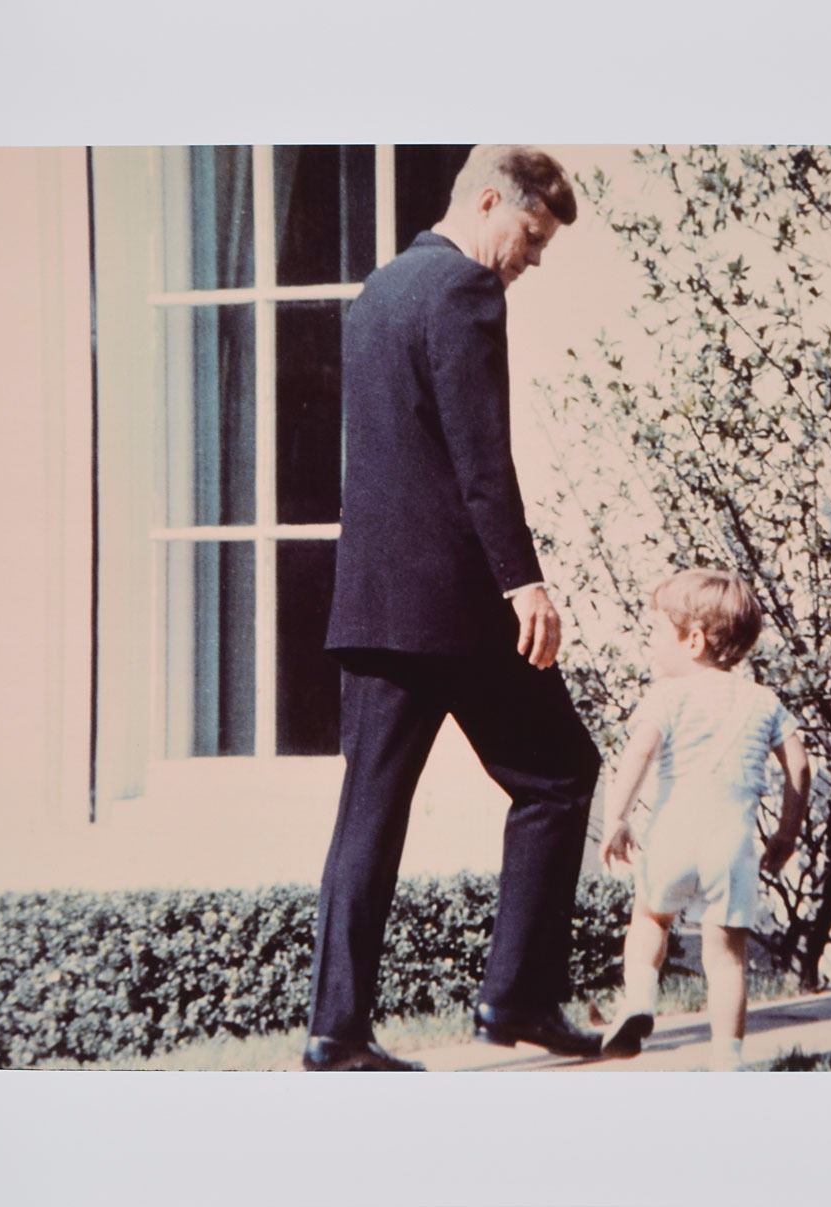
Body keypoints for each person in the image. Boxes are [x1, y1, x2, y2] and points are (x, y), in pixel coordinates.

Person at [303, 146, 603, 1072]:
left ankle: (334, 1033)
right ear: (488, 203)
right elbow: (480, 458)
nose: (533, 258)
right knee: (558, 776)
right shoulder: (468, 293)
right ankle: (516, 998)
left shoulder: (379, 289)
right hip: (460, 611)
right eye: (532, 235)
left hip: (374, 607)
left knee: (369, 815)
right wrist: (526, 581)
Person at [598, 568, 811, 1071]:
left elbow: (638, 754)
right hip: (731, 845)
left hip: (673, 834)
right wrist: (786, 832)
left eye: (656, 632)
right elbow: (799, 766)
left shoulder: (667, 696)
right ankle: (727, 1060)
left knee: (651, 918)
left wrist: (617, 818)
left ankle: (641, 1001)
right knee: (726, 956)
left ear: (692, 641)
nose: (651, 645)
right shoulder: (764, 701)